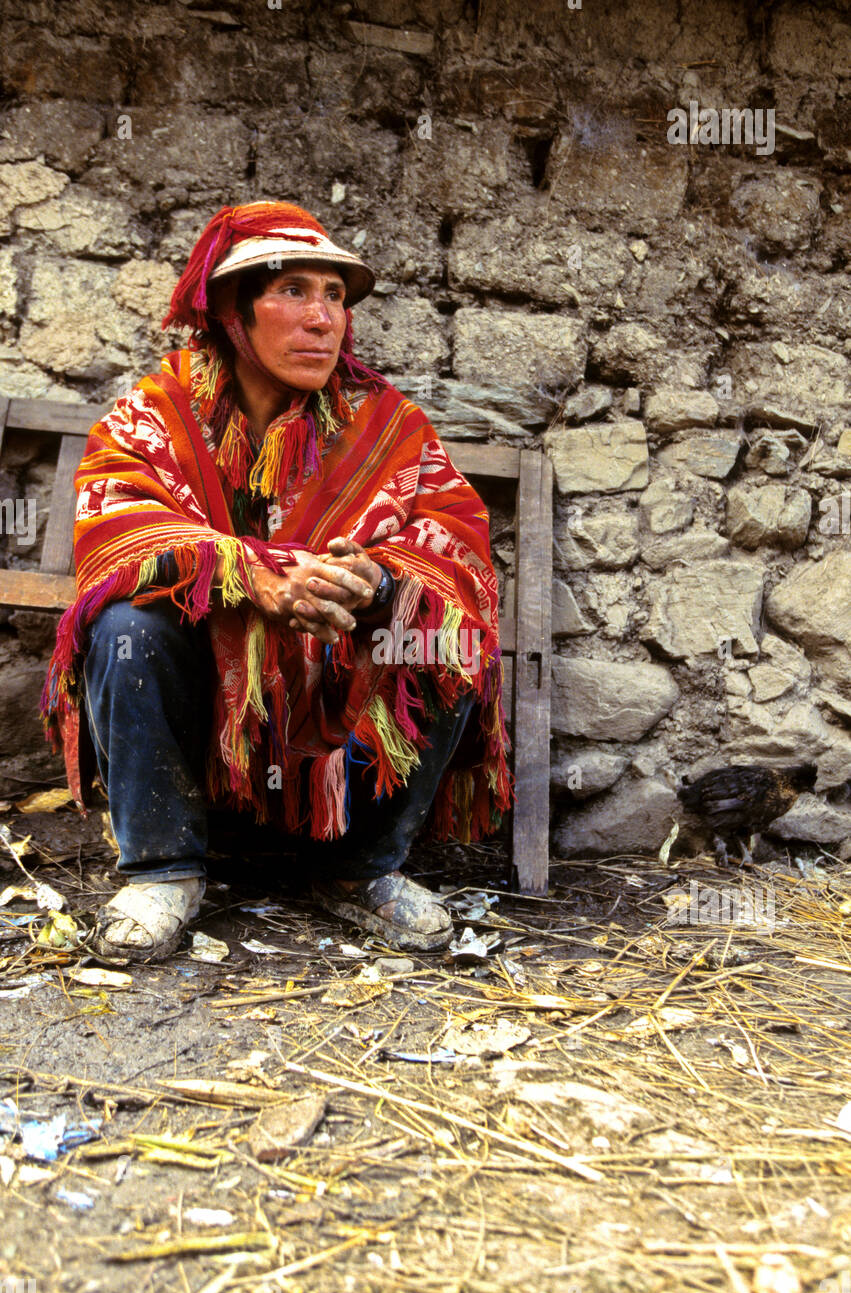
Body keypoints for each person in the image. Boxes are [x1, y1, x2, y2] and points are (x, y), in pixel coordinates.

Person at [42, 200, 511, 964]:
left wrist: (378, 580)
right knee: (126, 630)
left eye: (333, 296)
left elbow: (454, 547)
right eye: (293, 290)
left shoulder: (386, 424)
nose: (322, 318)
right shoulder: (154, 415)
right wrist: (254, 576)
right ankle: (165, 870)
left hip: (332, 684)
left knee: (443, 633)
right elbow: (117, 534)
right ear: (231, 310)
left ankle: (360, 870)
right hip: (208, 703)